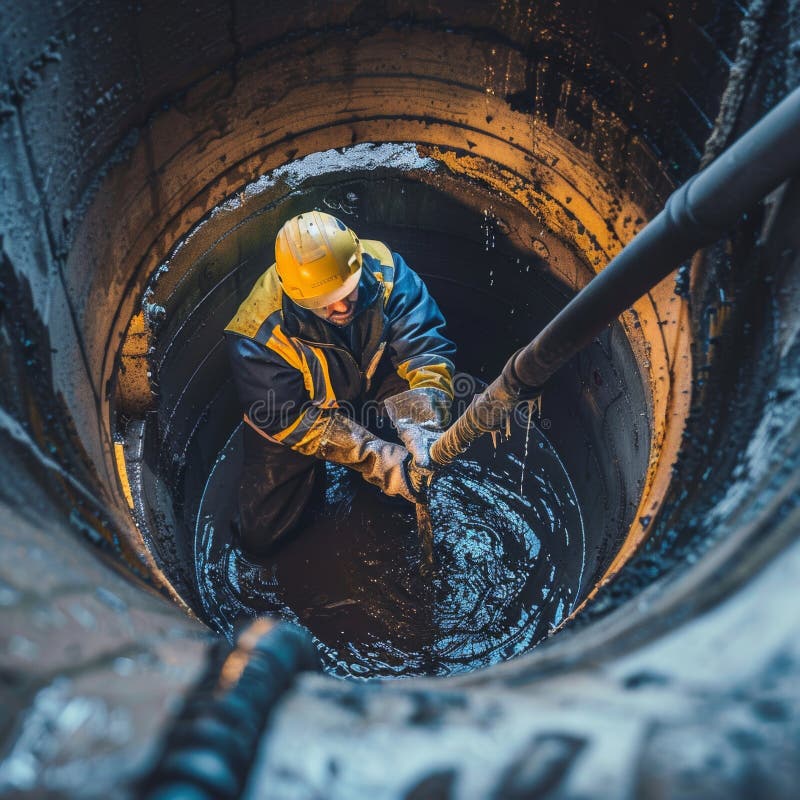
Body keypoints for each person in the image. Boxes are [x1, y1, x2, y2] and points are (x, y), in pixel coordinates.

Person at [224, 210, 456, 558]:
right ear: (296, 296)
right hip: (298, 416)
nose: (342, 305)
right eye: (323, 303)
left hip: (372, 382)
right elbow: (287, 420)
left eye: (347, 290)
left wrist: (423, 425)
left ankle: (398, 482)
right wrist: (375, 458)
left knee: (410, 479)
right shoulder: (257, 332)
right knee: (262, 537)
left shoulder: (385, 270)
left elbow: (424, 347)